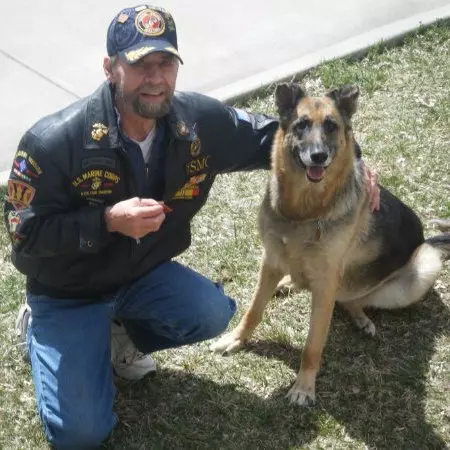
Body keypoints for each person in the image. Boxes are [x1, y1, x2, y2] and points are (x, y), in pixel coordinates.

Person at [4, 5, 379, 449]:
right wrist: (105, 222)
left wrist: (355, 160)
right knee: (83, 435)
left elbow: (274, 134)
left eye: (165, 63)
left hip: (138, 275)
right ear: (110, 68)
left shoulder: (197, 122)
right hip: (68, 291)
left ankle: (118, 333)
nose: (156, 77)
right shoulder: (53, 141)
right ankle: (42, 330)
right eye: (140, 64)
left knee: (210, 312)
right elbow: (25, 240)